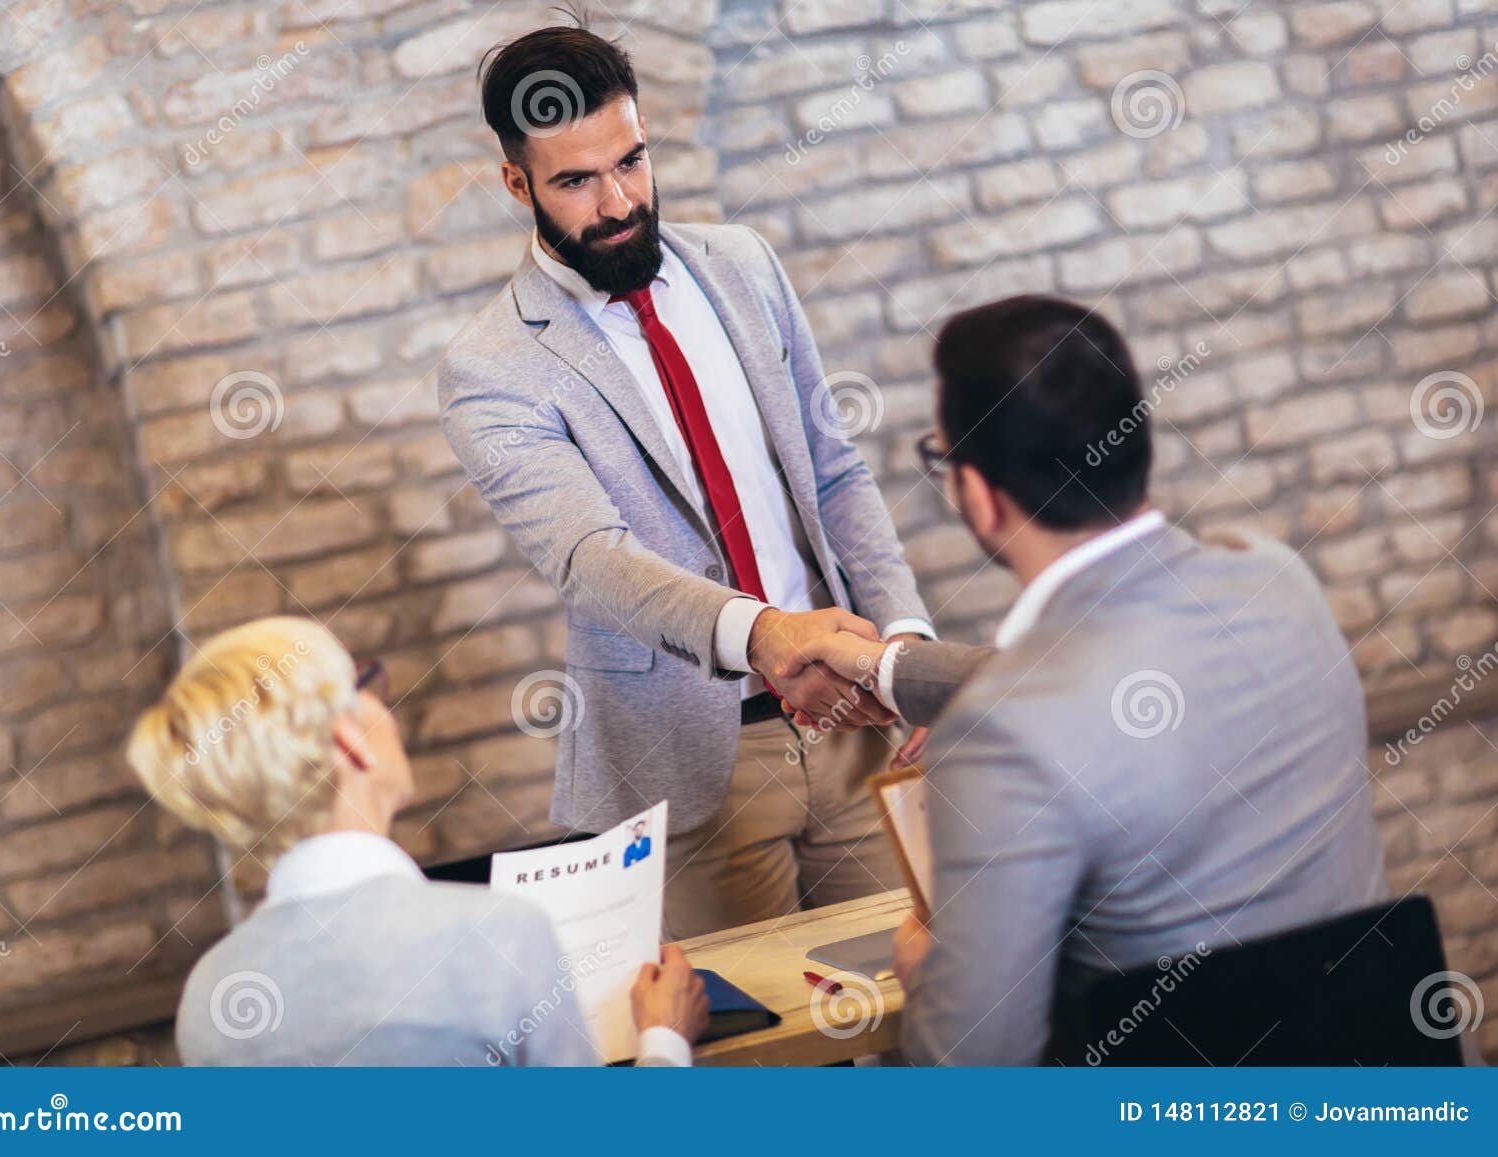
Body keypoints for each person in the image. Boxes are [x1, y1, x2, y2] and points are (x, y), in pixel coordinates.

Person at [439, 22, 940, 938]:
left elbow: (832, 471)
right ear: (517, 184)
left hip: (855, 722)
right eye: (576, 181)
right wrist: (768, 636)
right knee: (750, 1030)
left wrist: (909, 652)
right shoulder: (492, 366)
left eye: (631, 161)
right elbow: (592, 559)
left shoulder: (743, 264)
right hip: (687, 765)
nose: (619, 201)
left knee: (912, 986)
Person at [794, 295, 1389, 1065]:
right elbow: (1097, 684)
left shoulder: (1003, 733)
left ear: (977, 494)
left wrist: (929, 973)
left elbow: (971, 1072)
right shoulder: (1277, 578)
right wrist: (888, 667)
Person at [125, 616, 708, 1066]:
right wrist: (665, 1036)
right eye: (365, 684)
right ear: (350, 741)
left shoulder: (208, 1000)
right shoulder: (499, 934)